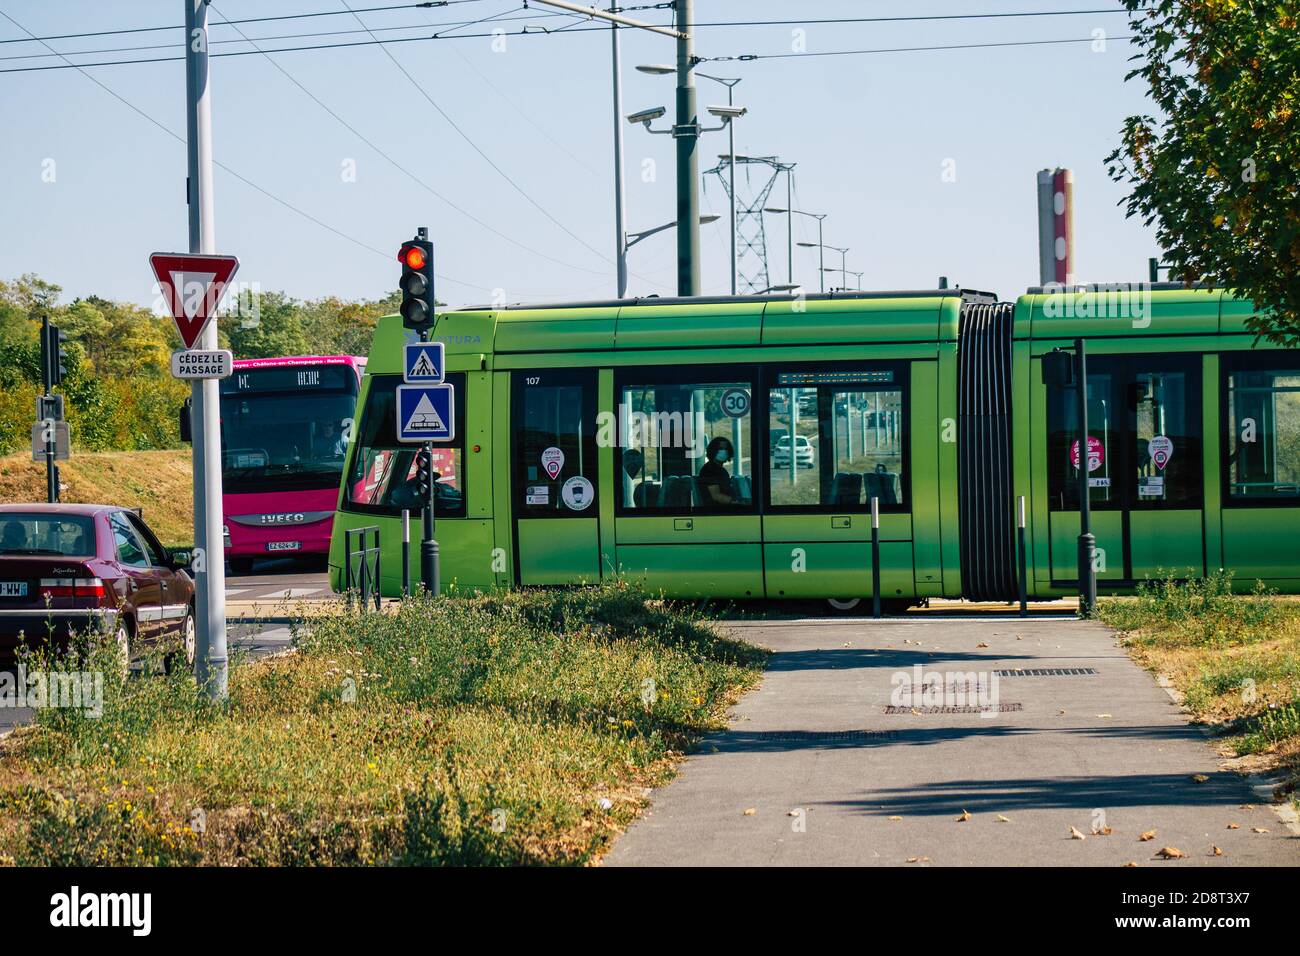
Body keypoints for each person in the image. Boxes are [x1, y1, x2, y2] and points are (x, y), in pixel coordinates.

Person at [697, 436, 736, 506]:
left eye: (726, 449)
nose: (724, 451)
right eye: (720, 448)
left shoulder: (720, 470)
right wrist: (735, 503)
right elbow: (716, 496)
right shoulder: (709, 470)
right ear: (713, 450)